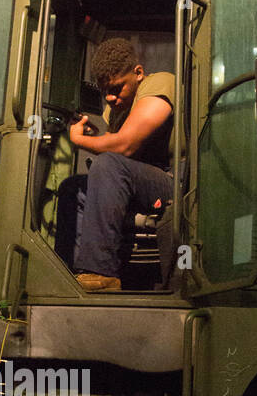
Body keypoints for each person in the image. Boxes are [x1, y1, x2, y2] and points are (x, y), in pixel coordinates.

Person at [58, 38, 175, 292]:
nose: (110, 98)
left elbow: (125, 146)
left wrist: (80, 141)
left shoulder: (159, 84)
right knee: (73, 188)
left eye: (116, 88)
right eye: (104, 92)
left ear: (139, 73)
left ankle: (101, 273)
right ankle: (71, 273)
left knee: (108, 163)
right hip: (137, 182)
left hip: (173, 182)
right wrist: (94, 139)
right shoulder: (116, 111)